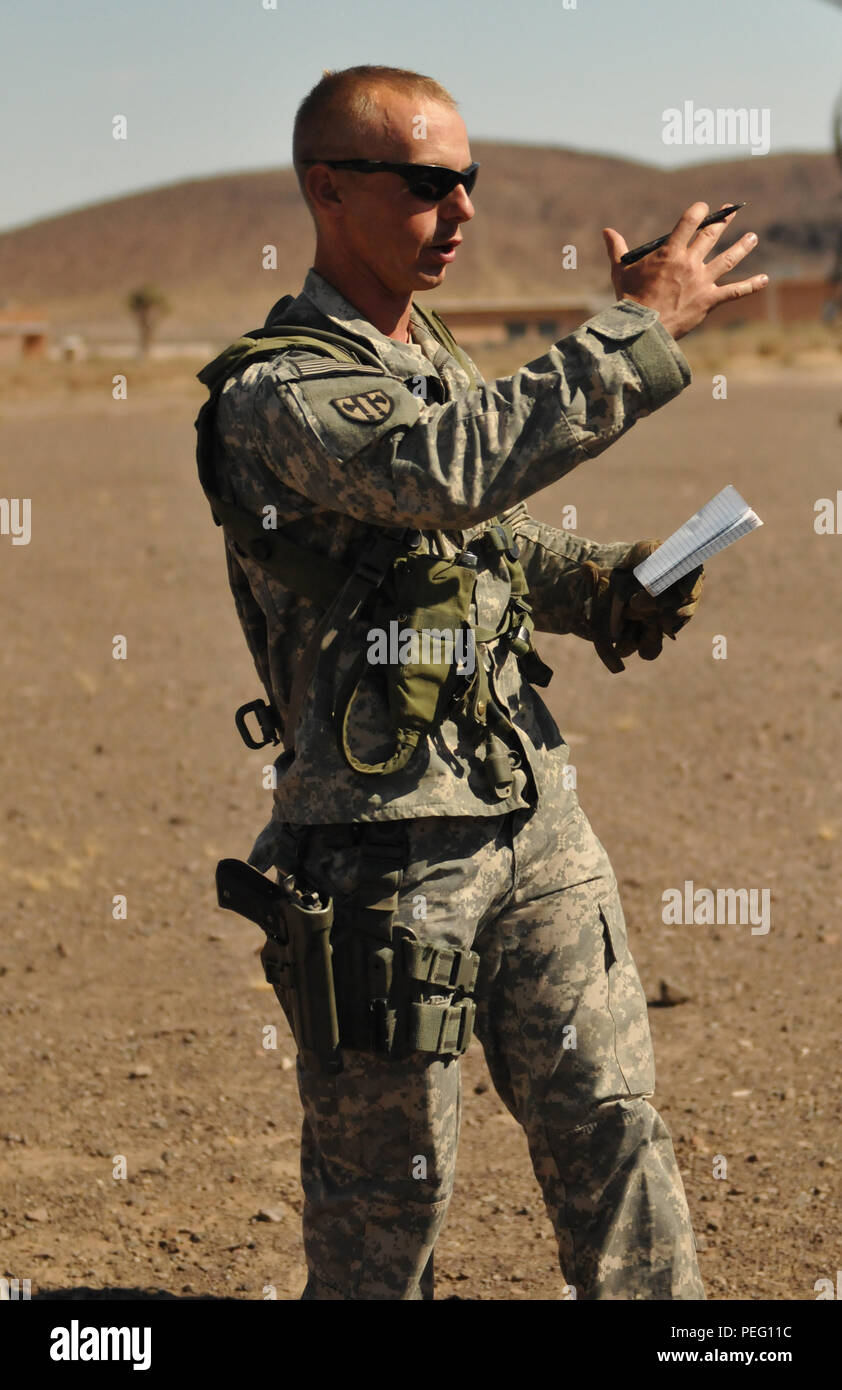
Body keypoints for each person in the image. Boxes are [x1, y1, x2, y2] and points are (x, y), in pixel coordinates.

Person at [196, 65, 767, 1300]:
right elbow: (445, 476)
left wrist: (609, 582)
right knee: (384, 1206)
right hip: (382, 859)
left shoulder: (428, 356)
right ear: (328, 190)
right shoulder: (274, 389)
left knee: (612, 1128)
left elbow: (479, 543)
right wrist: (636, 330)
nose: (458, 211)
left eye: (469, 183)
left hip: (530, 813)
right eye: (424, 185)